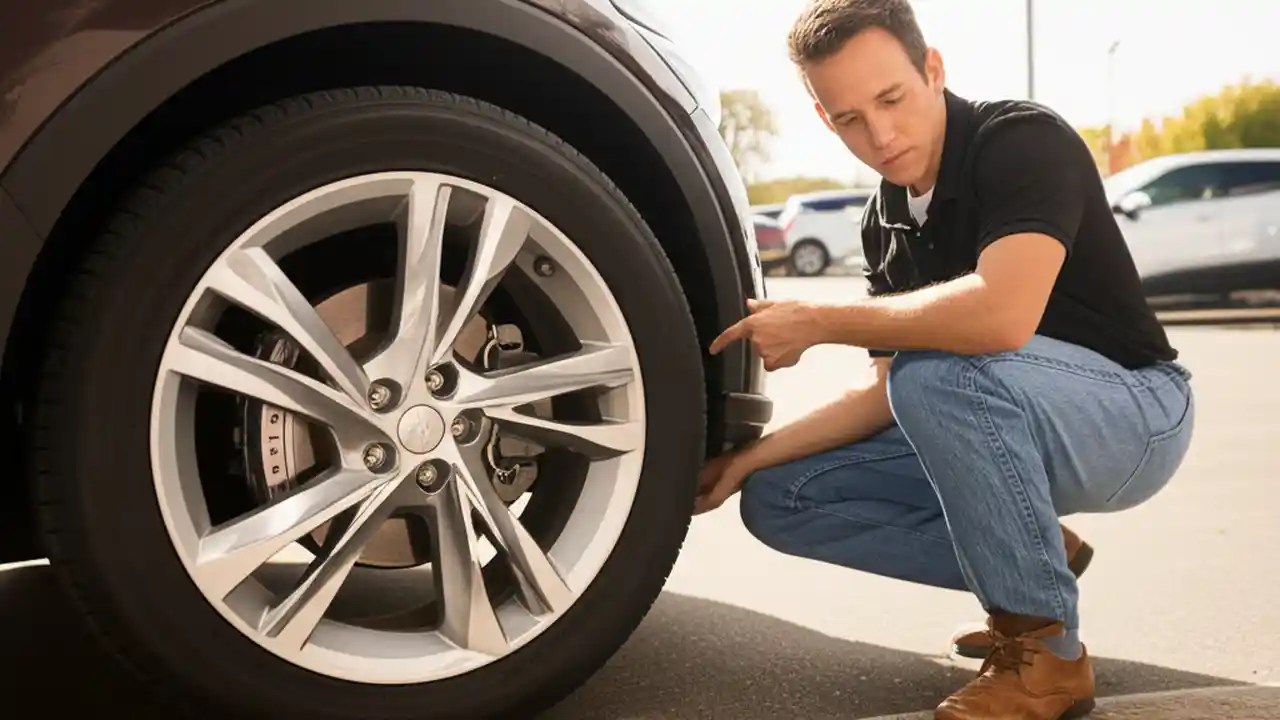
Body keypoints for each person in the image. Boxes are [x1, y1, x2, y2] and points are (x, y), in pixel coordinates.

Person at [693, 1, 1196, 718]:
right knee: (780, 500)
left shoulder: (1019, 140)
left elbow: (1000, 314)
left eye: (891, 99)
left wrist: (821, 321)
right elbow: (884, 394)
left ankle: (1045, 651)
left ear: (933, 69)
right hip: (998, 415)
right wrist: (749, 461)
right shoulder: (884, 222)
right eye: (849, 120)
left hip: (1136, 417)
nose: (880, 135)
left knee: (937, 374)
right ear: (823, 119)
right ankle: (1034, 558)